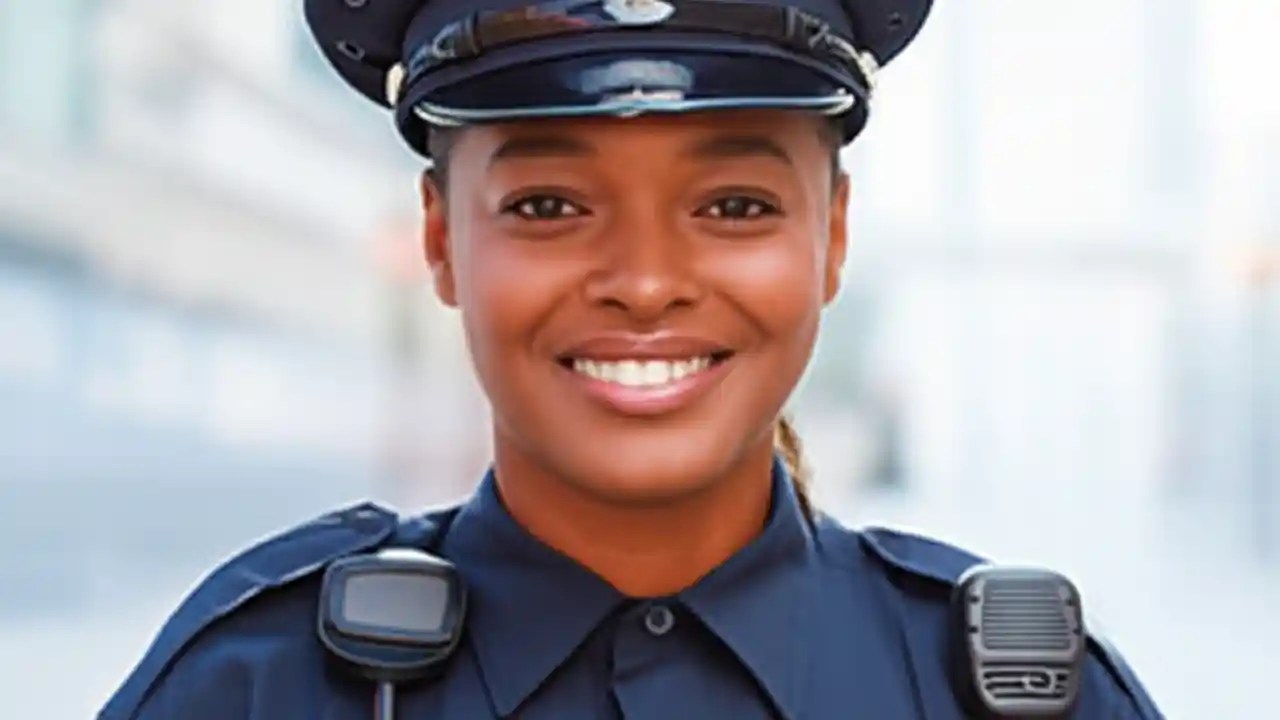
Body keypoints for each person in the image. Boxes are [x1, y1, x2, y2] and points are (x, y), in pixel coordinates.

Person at [99, 0, 1164, 718]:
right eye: (547, 205)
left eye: (735, 205)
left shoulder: (1012, 698)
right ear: (439, 241)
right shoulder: (254, 688)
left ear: (830, 237)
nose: (645, 282)